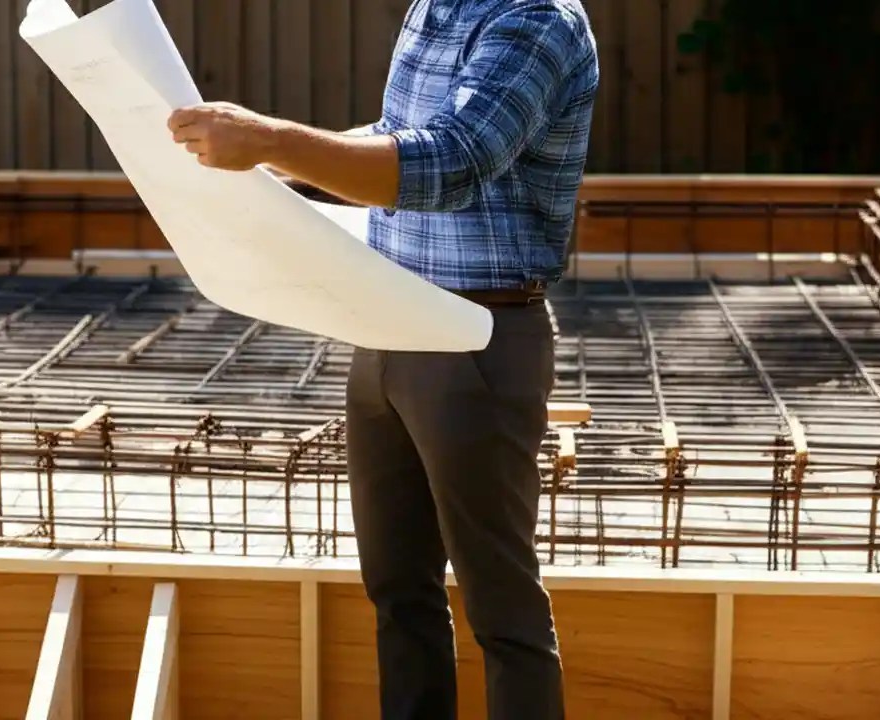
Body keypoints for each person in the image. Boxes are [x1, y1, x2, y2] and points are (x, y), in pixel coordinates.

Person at [168, 1, 598, 717]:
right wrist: (273, 164)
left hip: (474, 336)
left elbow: (450, 161)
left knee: (502, 609)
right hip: (385, 317)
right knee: (398, 590)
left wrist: (270, 139)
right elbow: (399, 134)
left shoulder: (535, 19)